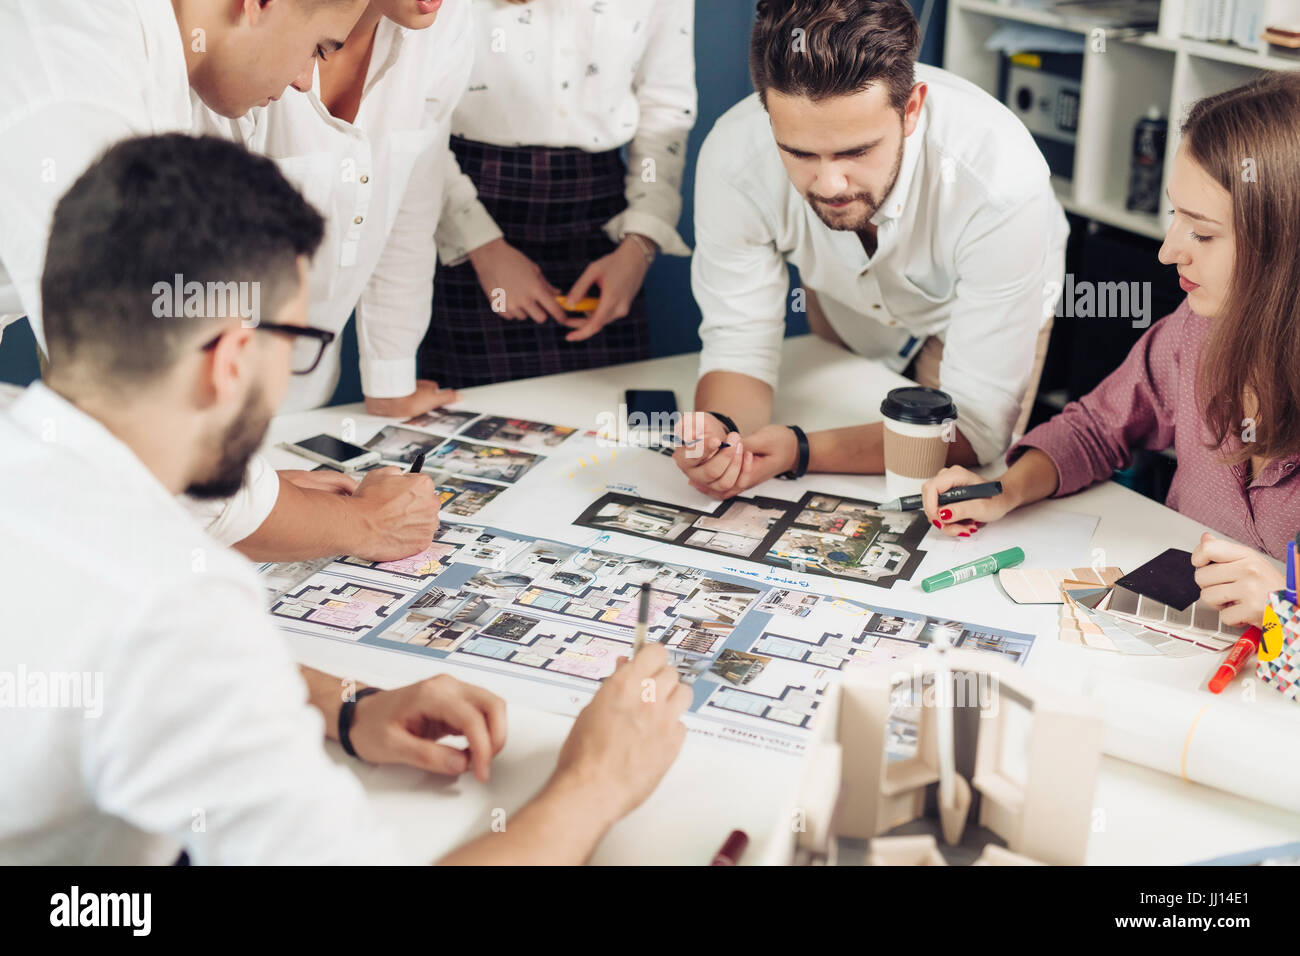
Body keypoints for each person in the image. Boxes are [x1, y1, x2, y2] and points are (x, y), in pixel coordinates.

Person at [0, 134, 688, 864]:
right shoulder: (173, 606)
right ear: (230, 359)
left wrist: (343, 704)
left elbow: (148, 678)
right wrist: (596, 782)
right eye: (297, 343)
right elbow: (165, 650)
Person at [0, 0, 440, 564]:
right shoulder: (72, 76)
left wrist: (264, 495)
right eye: (317, 48)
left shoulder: (137, 50)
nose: (304, 80)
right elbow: (155, 410)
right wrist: (361, 524)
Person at [922, 73, 1300, 628]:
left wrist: (1288, 606)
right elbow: (1095, 429)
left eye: (1202, 233)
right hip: (1177, 637)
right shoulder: (1196, 331)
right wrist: (1005, 490)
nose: (1168, 252)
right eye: (1174, 216)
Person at [672, 0, 1067, 500]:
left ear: (912, 109)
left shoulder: (1001, 179)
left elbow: (973, 427)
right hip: (844, 297)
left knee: (936, 486)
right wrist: (721, 436)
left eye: (856, 151)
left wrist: (800, 449)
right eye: (799, 153)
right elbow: (738, 346)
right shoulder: (734, 161)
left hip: (969, 308)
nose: (830, 185)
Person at [194, 0, 491, 417]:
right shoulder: (246, 37)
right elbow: (185, 251)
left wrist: (391, 380)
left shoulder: (445, 24)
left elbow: (409, 207)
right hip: (195, 386)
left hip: (307, 381)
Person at [415, 0, 697, 388]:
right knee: (476, 414)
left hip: (603, 221)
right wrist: (481, 245)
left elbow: (665, 109)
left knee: (608, 406)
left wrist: (641, 244)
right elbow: (417, 113)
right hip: (469, 204)